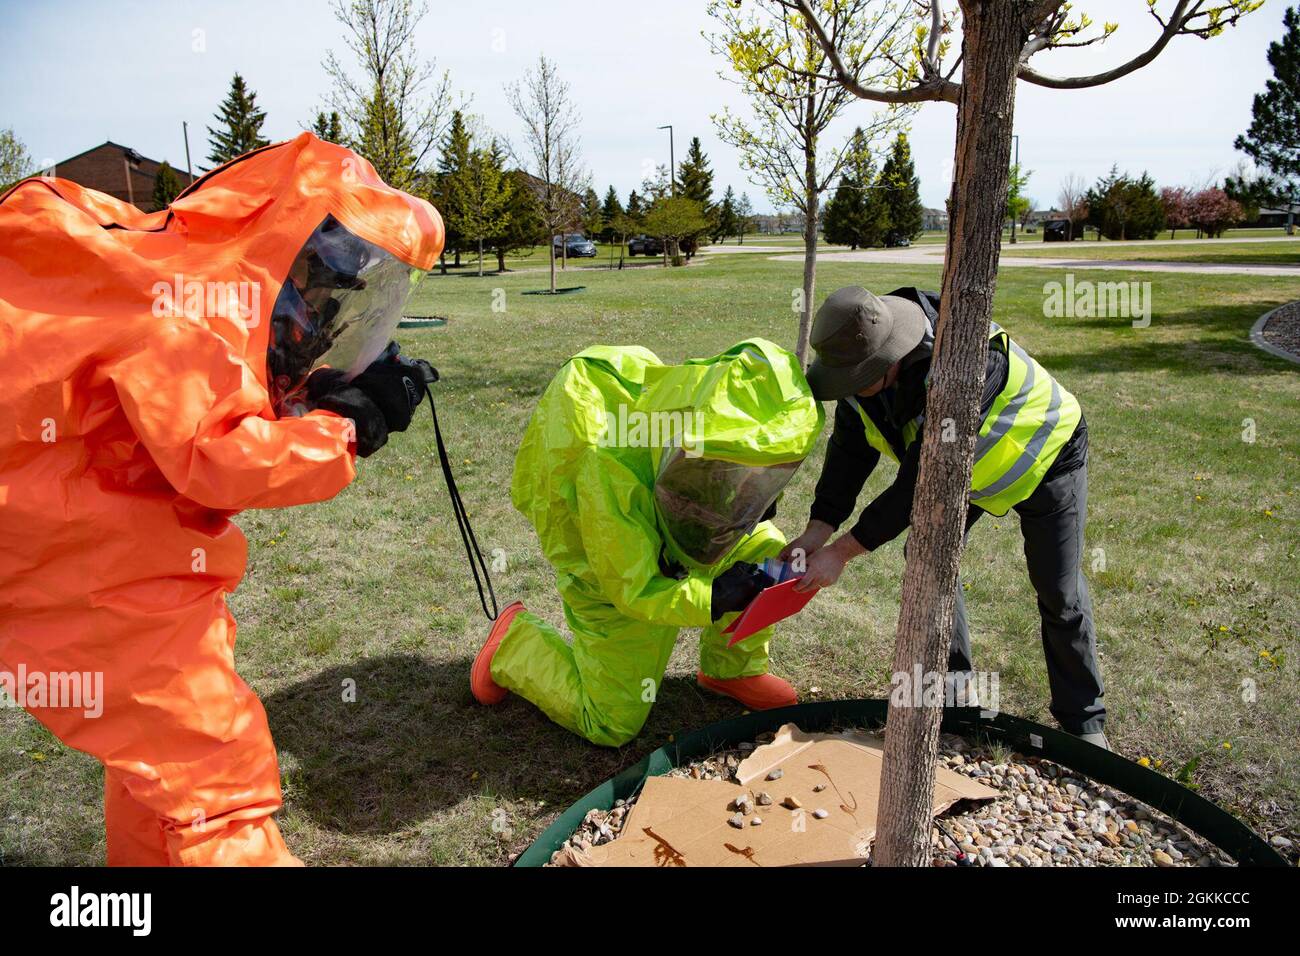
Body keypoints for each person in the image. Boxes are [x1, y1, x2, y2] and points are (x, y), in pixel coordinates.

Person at [0, 133, 444, 864]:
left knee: (158, 777)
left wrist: (327, 394)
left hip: (102, 551)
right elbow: (222, 456)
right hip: (87, 571)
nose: (319, 298)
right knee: (217, 785)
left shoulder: (179, 280)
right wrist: (349, 428)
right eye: (321, 274)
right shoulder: (186, 307)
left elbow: (206, 409)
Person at [783, 286, 1108, 749]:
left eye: (858, 378)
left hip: (1047, 453)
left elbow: (918, 483)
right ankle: (954, 701)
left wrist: (842, 553)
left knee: (1059, 590)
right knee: (929, 566)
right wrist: (819, 527)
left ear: (891, 359)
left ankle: (1085, 724)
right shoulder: (859, 379)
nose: (849, 389)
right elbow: (850, 450)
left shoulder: (963, 368)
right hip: (956, 471)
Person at [471, 339, 824, 746]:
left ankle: (730, 669)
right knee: (611, 723)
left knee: (766, 545)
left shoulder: (709, 425)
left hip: (662, 543)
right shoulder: (607, 474)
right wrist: (712, 600)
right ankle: (515, 644)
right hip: (614, 579)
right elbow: (635, 588)